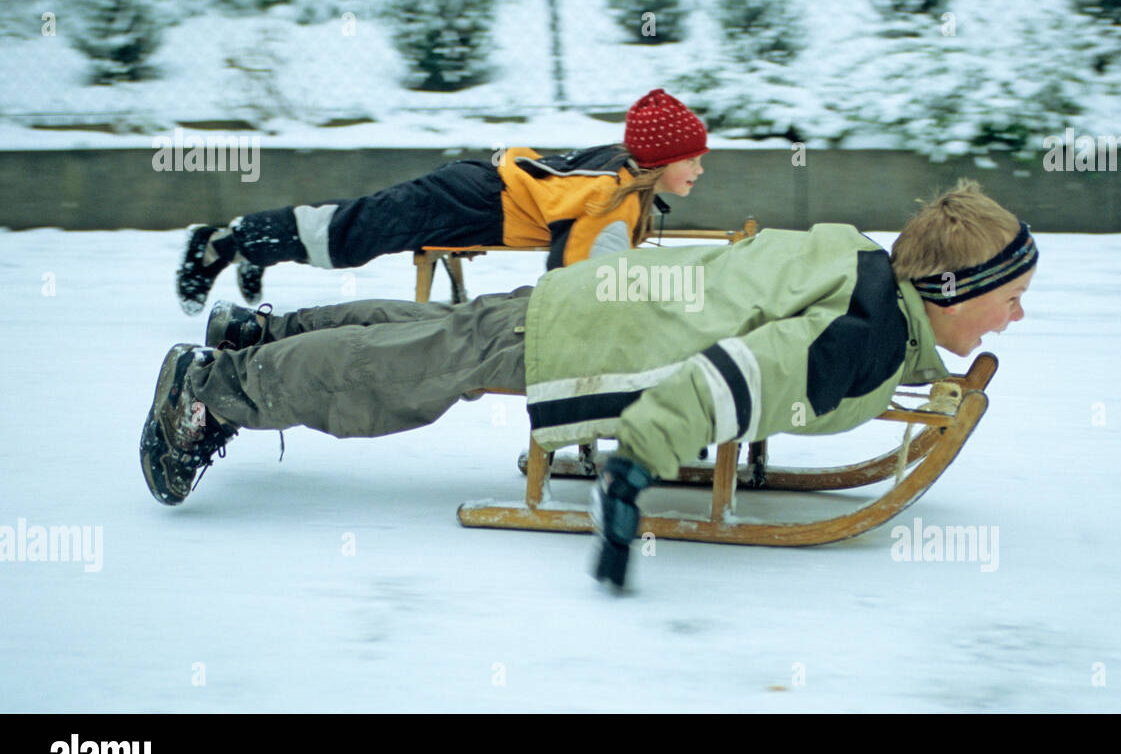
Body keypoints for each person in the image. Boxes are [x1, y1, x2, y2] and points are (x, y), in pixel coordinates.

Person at [141, 180, 1037, 589]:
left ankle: (261, 332)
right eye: (1009, 298)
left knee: (443, 336)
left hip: (613, 297)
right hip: (595, 338)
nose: (1016, 319)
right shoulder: (869, 342)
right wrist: (636, 467)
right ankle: (214, 390)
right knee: (399, 379)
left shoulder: (862, 259)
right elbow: (732, 380)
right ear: (950, 290)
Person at [175, 88, 709, 314]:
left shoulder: (625, 170)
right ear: (661, 161)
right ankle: (223, 243)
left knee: (355, 227)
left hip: (479, 194)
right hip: (467, 202)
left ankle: (253, 246)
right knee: (350, 234)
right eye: (692, 159)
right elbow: (575, 275)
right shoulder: (614, 196)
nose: (700, 169)